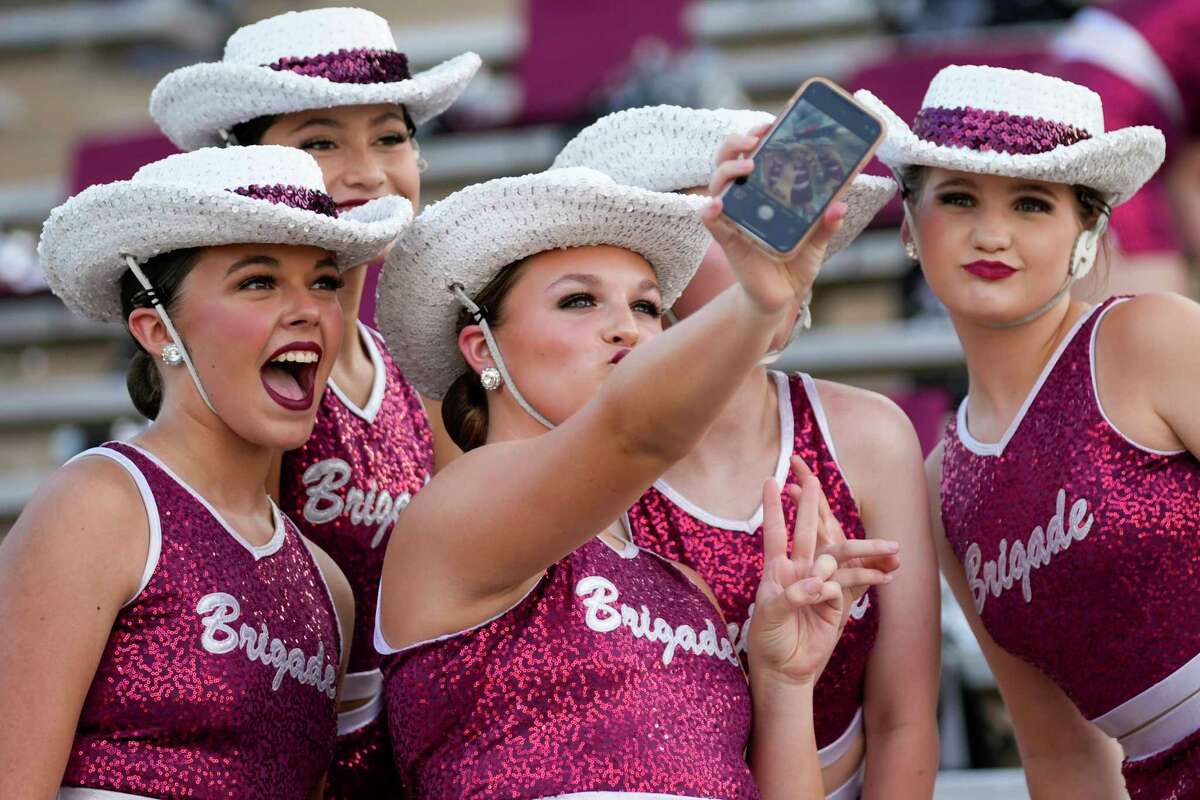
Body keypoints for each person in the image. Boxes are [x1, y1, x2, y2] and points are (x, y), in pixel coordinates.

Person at [372, 164, 900, 798]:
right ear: (482, 349)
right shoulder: (454, 509)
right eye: (579, 300)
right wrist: (760, 301)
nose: (626, 327)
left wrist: (785, 682)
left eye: (647, 307)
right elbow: (633, 430)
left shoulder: (686, 586)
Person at [553, 104, 940, 800]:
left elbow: (904, 720)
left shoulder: (870, 437)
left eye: (792, 223)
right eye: (747, 219)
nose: (782, 247)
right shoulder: (576, 463)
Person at [0, 144, 411, 798]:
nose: (307, 309)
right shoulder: (100, 509)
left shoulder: (329, 589)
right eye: (259, 281)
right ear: (157, 329)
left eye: (325, 281)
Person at [149, 9, 480, 795]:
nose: (367, 171)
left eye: (390, 136)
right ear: (244, 162)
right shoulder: (253, 375)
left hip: (406, 753)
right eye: (321, 141)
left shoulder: (412, 368)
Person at [855, 65, 1200, 799]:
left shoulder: (1149, 337)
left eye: (1032, 203)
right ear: (913, 226)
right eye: (957, 198)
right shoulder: (942, 487)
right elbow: (1061, 756)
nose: (992, 233)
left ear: (1088, 230)